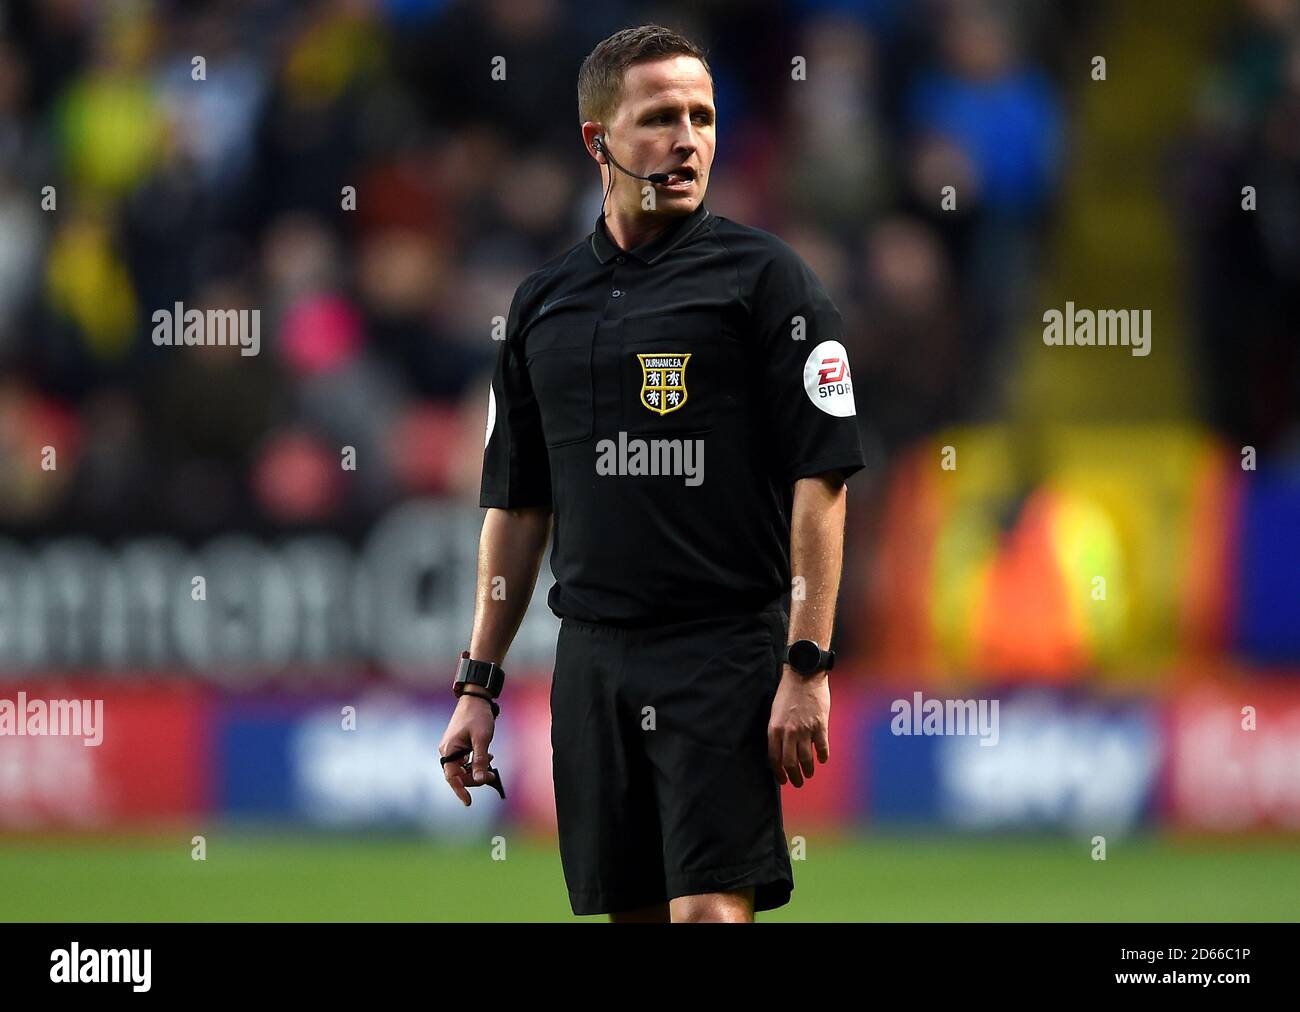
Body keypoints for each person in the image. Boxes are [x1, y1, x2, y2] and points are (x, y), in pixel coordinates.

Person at [438, 23, 866, 923]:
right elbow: (516, 506)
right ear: (598, 141)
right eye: (660, 117)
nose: (688, 140)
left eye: (704, 117)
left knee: (710, 913)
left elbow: (822, 480)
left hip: (723, 650)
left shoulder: (769, 283)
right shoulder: (540, 306)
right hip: (591, 660)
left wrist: (808, 662)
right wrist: (478, 682)